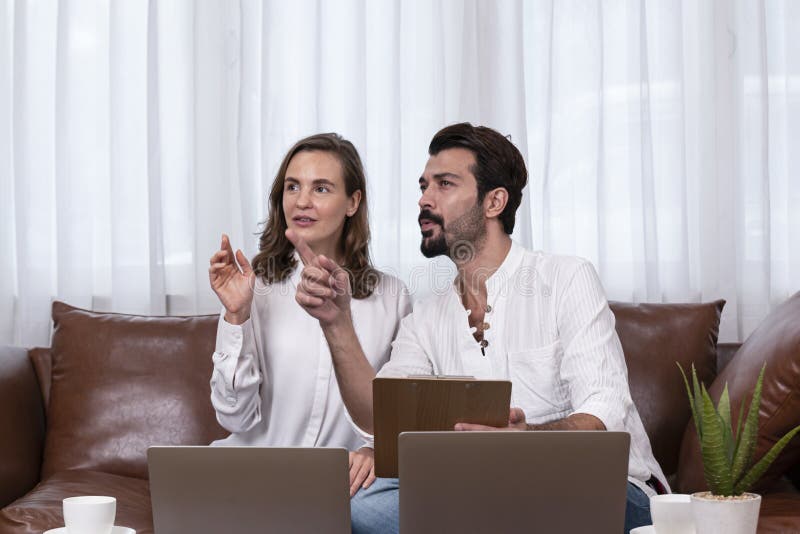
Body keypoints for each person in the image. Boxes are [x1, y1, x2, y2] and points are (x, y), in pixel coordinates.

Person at [287, 123, 669, 533]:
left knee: (497, 503)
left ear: (494, 202)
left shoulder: (565, 278)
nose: (424, 199)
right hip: (479, 491)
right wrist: (338, 322)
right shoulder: (426, 319)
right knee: (360, 505)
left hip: (594, 486)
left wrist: (529, 440)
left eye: (444, 184)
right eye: (423, 185)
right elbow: (383, 423)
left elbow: (604, 409)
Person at [208, 132, 410, 498]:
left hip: (334, 491)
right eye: (292, 186)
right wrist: (235, 315)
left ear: (353, 202)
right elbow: (233, 417)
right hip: (249, 480)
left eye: (321, 189)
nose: (302, 201)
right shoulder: (255, 287)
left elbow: (398, 418)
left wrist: (375, 449)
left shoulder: (391, 297)